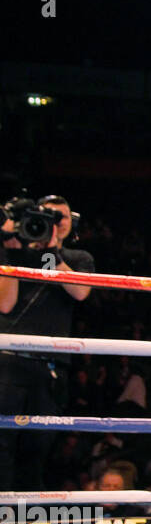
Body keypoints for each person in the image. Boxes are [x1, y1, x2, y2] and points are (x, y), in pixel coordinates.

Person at [1, 195, 94, 489]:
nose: (54, 222)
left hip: (49, 366)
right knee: (1, 446)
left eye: (61, 217)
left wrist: (52, 250)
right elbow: (5, 305)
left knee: (38, 448)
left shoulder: (78, 259)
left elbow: (80, 292)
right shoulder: (10, 253)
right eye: (47, 216)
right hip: (7, 363)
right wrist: (10, 254)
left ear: (71, 223)